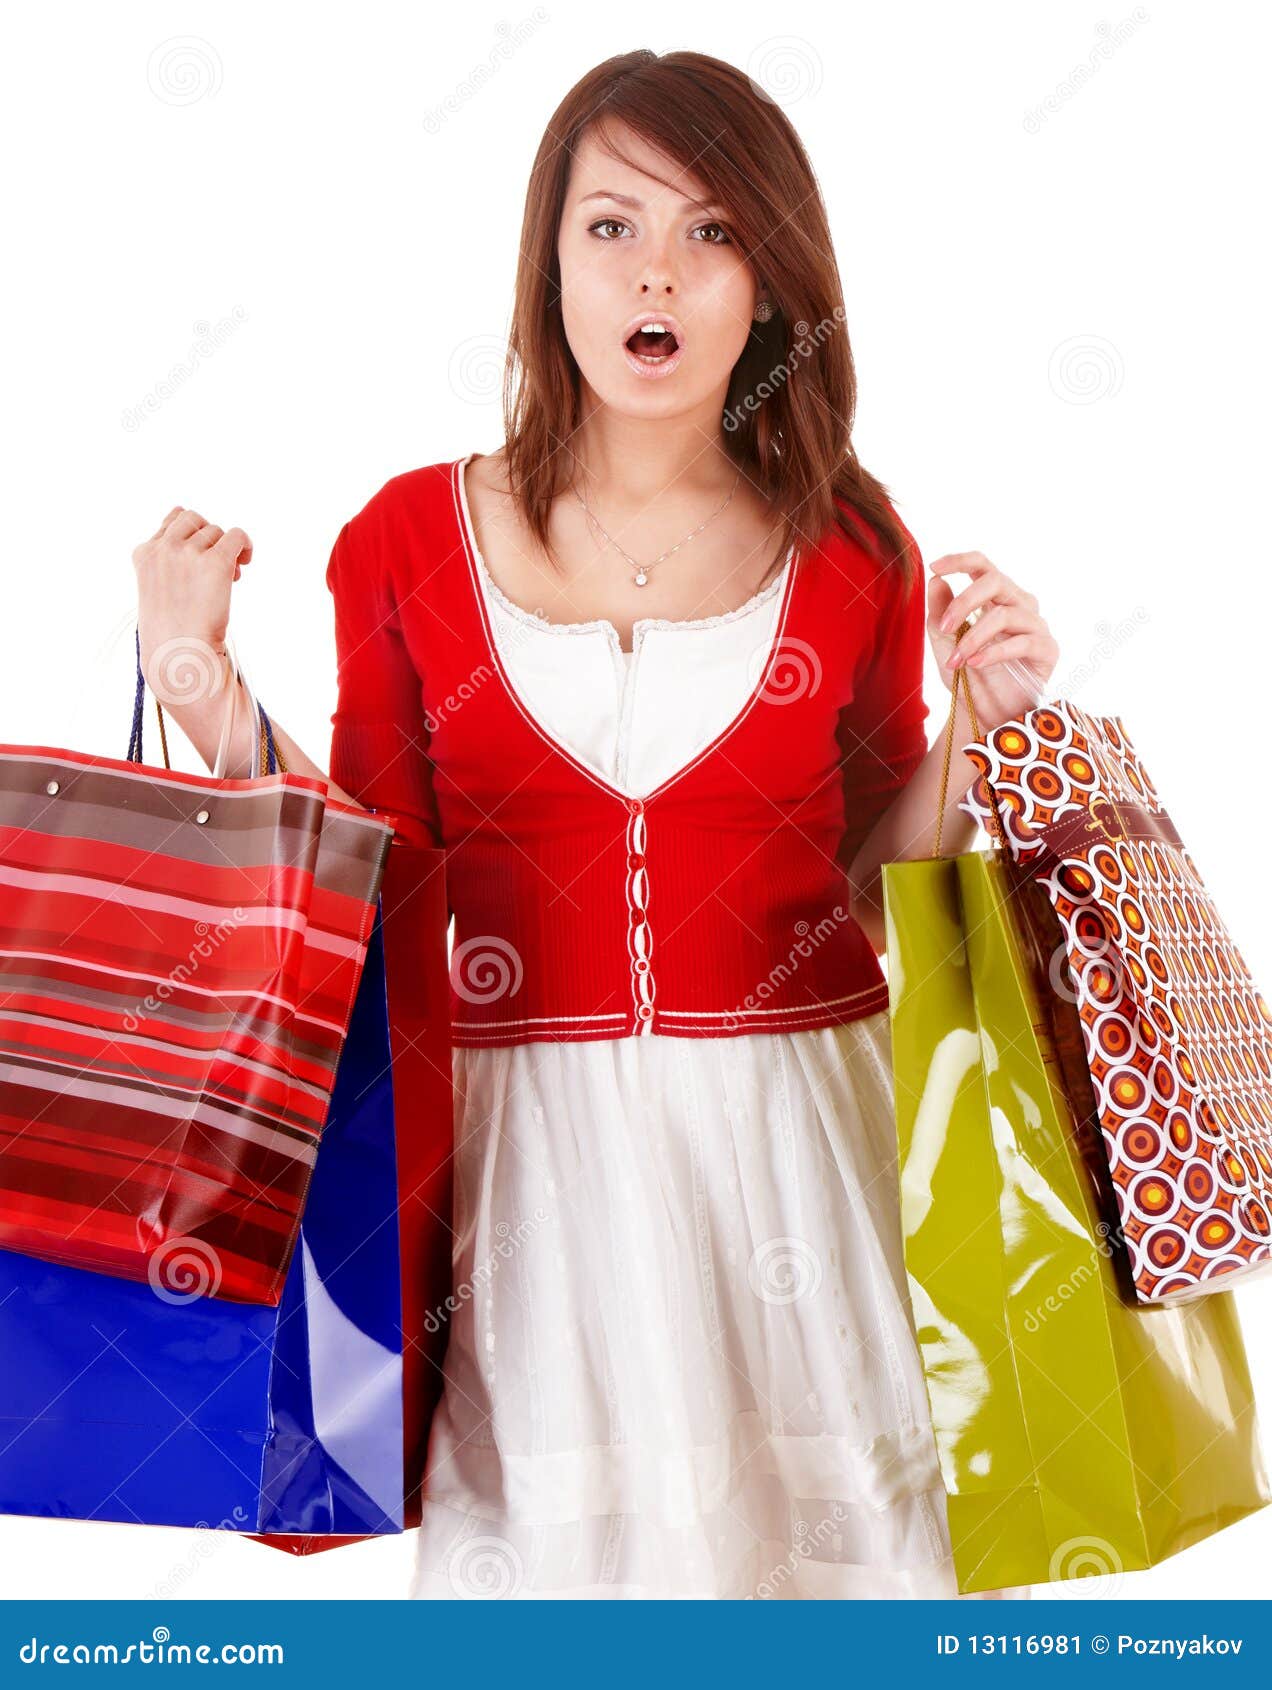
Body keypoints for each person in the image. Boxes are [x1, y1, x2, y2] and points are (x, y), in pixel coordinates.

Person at [132, 49, 1059, 1599]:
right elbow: (373, 871)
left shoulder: (854, 539)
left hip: (794, 1155)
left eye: (713, 231)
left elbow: (871, 876)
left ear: (771, 281)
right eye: (613, 225)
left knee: (834, 1573)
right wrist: (198, 681)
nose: (658, 273)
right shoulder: (406, 539)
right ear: (549, 261)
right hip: (531, 1179)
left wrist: (987, 726)